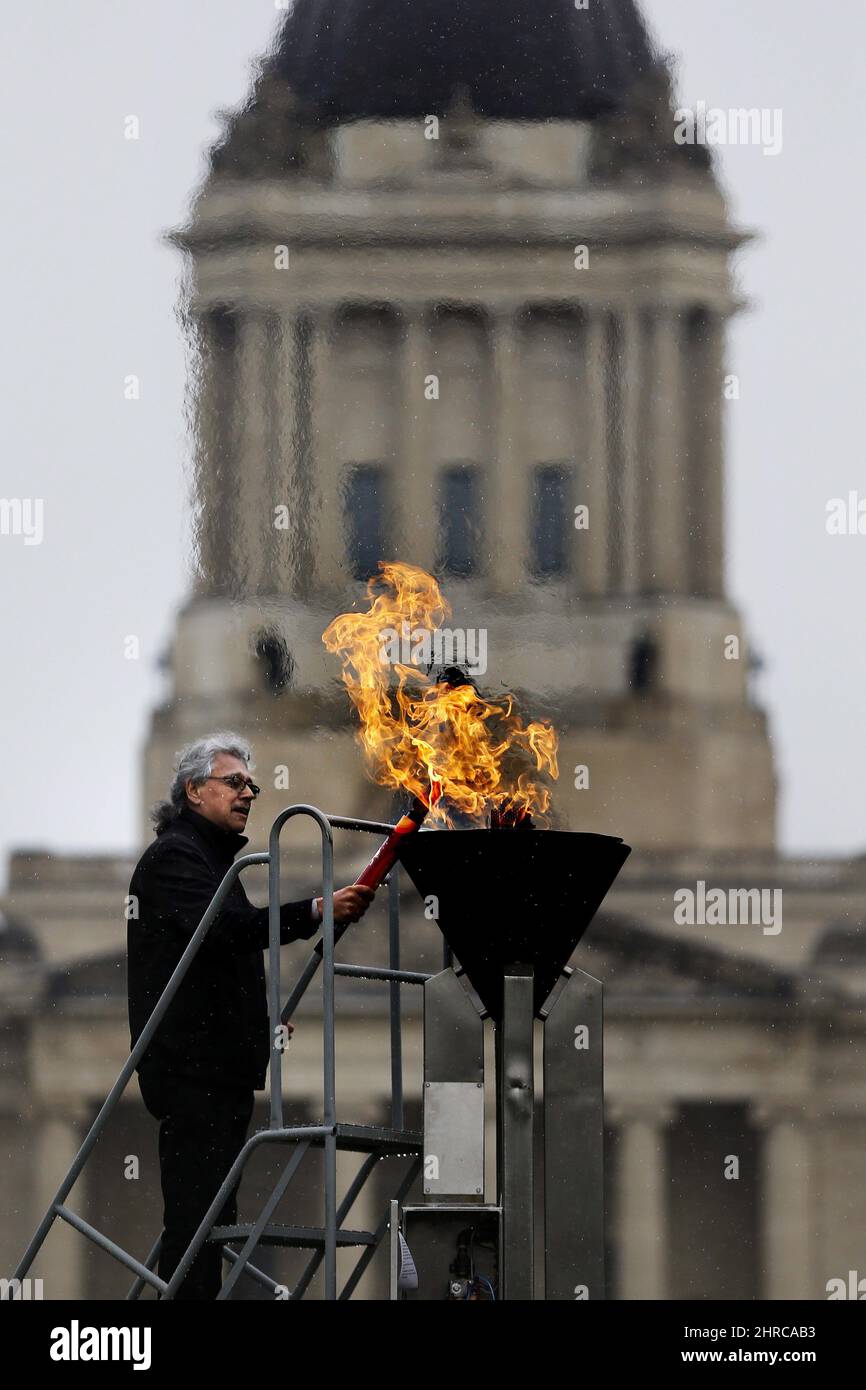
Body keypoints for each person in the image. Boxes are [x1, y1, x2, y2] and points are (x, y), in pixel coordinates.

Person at [126, 731, 375, 1299]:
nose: (247, 794)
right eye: (233, 782)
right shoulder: (175, 860)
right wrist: (315, 909)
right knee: (196, 1224)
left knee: (212, 1222)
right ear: (194, 790)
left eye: (251, 785)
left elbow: (218, 970)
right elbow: (222, 934)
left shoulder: (213, 865)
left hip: (218, 1069)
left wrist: (255, 1029)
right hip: (192, 1073)